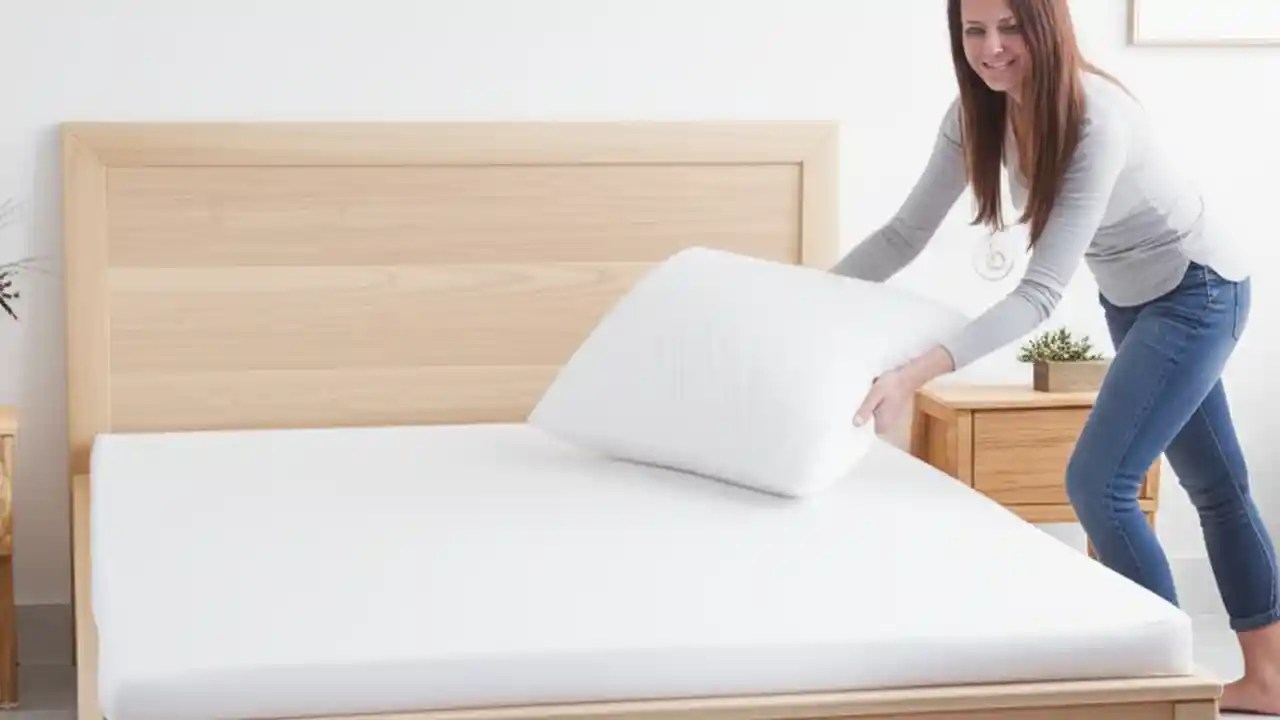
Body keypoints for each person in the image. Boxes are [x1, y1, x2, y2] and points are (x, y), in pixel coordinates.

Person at [830, 0, 1279, 713]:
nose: (992, 47)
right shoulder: (976, 114)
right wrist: (804, 297)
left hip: (1199, 289)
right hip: (1133, 298)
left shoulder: (1096, 118)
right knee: (1217, 485)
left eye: (1010, 27)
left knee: (1100, 482)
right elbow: (902, 235)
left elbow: (1037, 295)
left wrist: (912, 373)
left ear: (1047, 28)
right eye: (974, 30)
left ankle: (1165, 688)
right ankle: (1265, 681)